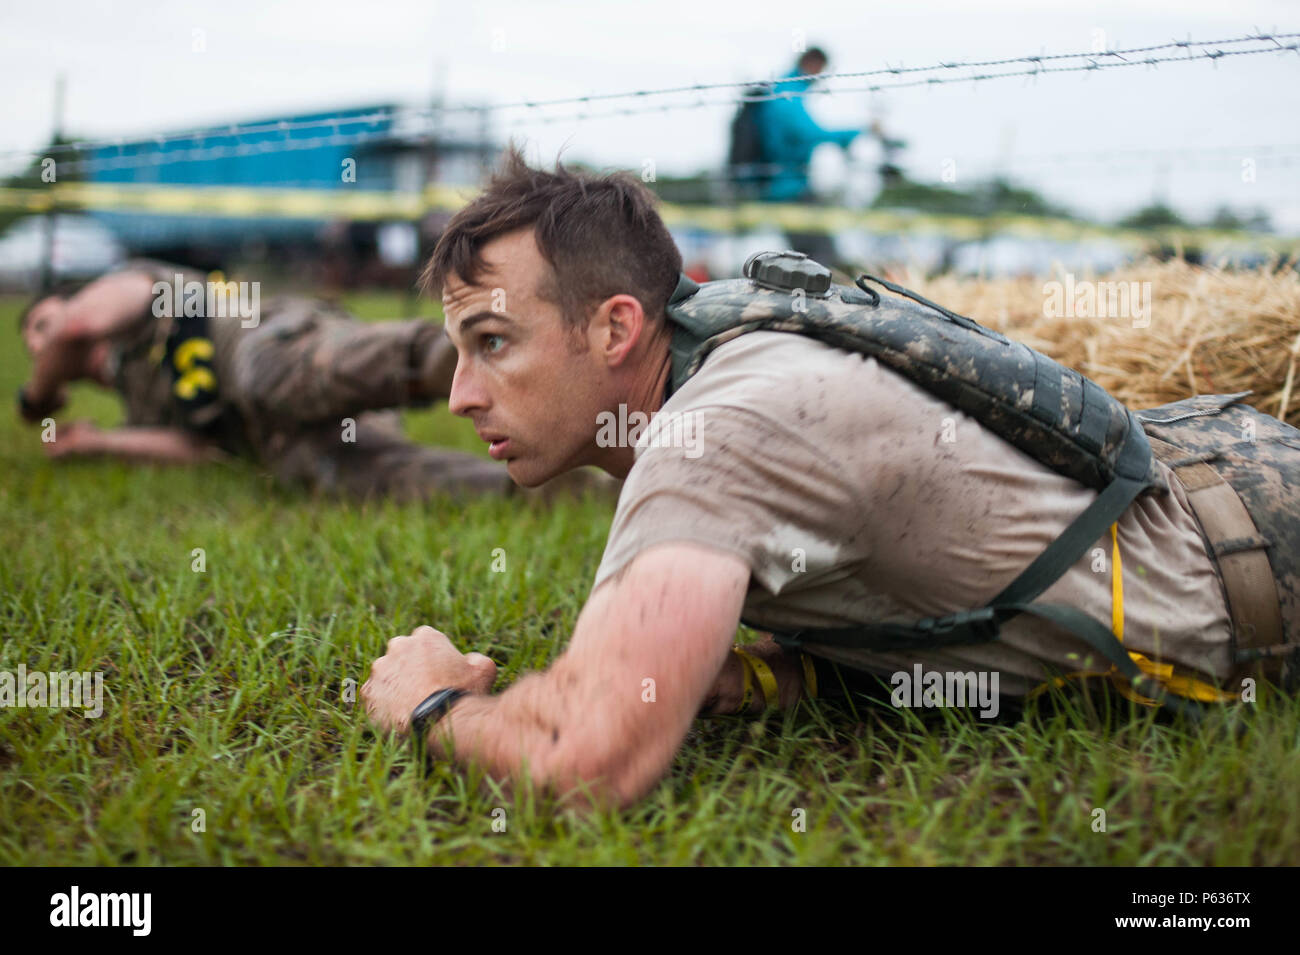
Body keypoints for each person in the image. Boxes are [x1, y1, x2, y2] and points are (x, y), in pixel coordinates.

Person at [360, 146, 1300, 810]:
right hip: (1225, 474)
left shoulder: (713, 434)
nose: (457, 396)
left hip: (1260, 562)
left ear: (615, 328)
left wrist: (434, 704)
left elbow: (588, 763)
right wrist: (782, 677)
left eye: (492, 345)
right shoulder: (730, 339)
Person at [17, 259, 514, 499]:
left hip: (280, 345)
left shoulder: (131, 283)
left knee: (265, 374)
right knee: (322, 471)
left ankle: (462, 354)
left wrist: (34, 400)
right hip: (277, 425)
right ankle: (527, 491)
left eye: (41, 325)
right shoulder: (134, 395)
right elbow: (198, 448)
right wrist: (99, 443)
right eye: (31, 345)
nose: (41, 345)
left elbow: (76, 327)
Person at [730, 46, 866, 267]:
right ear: (813, 65)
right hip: (787, 186)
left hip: (778, 183)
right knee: (820, 257)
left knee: (808, 255)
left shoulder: (782, 89)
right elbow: (807, 133)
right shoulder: (788, 94)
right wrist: (859, 132)